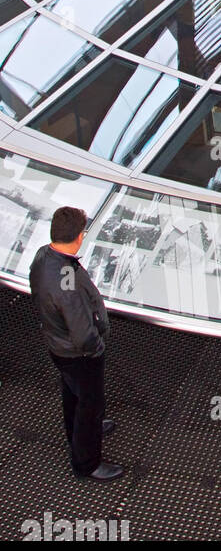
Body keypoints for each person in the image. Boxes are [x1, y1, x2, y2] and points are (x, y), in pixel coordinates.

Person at [28, 206, 123, 481]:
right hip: (78, 353)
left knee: (73, 394)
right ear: (79, 237)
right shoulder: (65, 286)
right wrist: (96, 348)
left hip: (59, 346)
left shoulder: (44, 256)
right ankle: (87, 463)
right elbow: (82, 333)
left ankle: (79, 430)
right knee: (90, 403)